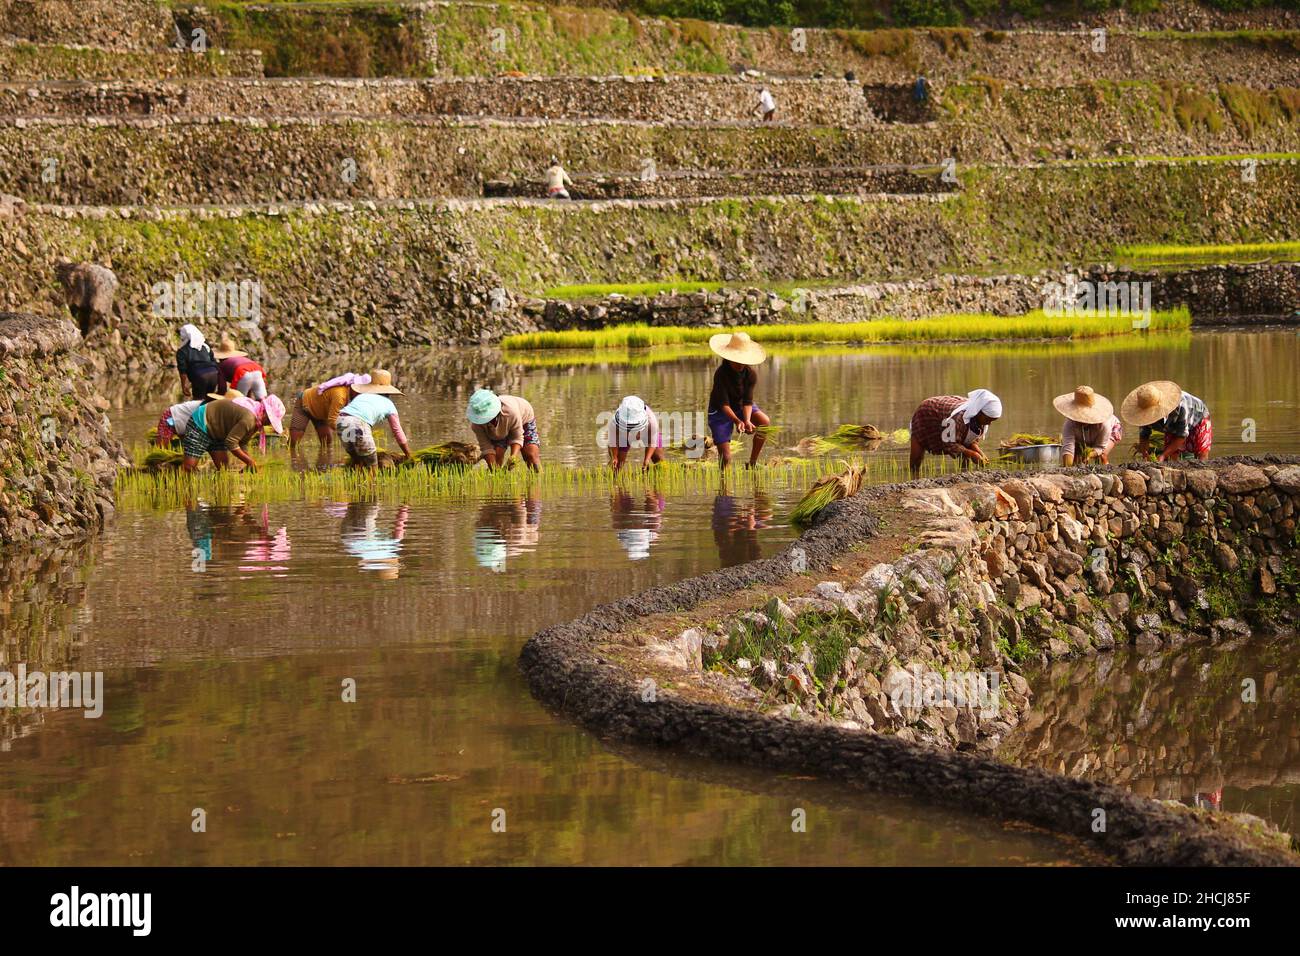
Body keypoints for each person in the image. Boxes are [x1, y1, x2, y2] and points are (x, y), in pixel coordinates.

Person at [707, 332, 770, 470]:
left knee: (764, 422)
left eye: (743, 360)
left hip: (741, 406)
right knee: (726, 459)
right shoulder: (721, 374)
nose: (741, 364)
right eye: (737, 360)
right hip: (720, 411)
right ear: (729, 357)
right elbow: (723, 404)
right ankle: (724, 487)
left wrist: (746, 420)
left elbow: (748, 401)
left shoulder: (750, 374)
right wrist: (737, 421)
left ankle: (752, 463)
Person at [909, 388, 1002, 477]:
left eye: (992, 421)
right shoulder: (957, 419)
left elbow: (970, 441)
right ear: (978, 412)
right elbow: (949, 444)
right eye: (988, 420)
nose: (989, 424)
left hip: (947, 412)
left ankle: (964, 474)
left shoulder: (982, 417)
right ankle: (913, 476)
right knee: (917, 455)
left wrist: (980, 453)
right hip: (927, 411)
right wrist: (972, 454)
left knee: (963, 447)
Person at [180, 394, 285, 472]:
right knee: (189, 468)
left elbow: (242, 442)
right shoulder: (249, 419)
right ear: (266, 413)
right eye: (270, 421)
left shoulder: (257, 419)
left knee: (223, 469)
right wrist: (249, 461)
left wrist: (250, 462)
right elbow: (231, 442)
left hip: (219, 431)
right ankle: (177, 484)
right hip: (201, 423)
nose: (269, 424)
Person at [334, 369, 412, 469]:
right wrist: (408, 454)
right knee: (372, 462)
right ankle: (372, 484)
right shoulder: (390, 405)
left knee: (358, 460)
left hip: (341, 420)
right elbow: (397, 432)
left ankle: (357, 482)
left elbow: (352, 411)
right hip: (358, 423)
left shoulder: (363, 396)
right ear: (388, 391)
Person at [1122, 381, 1212, 461]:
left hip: (1199, 416)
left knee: (1201, 452)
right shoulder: (1144, 415)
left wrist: (1163, 455)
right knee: (1172, 454)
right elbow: (1144, 436)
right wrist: (1145, 453)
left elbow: (1181, 436)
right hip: (1170, 423)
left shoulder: (1181, 407)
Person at [289, 372, 372, 453]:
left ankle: (323, 465)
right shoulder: (340, 396)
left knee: (327, 442)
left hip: (322, 412)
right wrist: (348, 433)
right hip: (305, 404)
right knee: (293, 443)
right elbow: (332, 420)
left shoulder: (352, 396)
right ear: (353, 388)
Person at [467, 389, 540, 471]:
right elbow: (486, 447)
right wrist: (494, 470)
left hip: (524, 418)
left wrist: (513, 457)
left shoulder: (511, 412)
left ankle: (538, 479)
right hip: (498, 429)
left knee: (530, 456)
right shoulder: (477, 424)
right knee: (497, 456)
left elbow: (517, 437)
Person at [1055, 385, 1123, 466]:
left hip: (1112, 429)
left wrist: (1089, 455)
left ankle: (1107, 470)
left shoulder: (1104, 425)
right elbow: (1068, 448)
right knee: (1077, 455)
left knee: (1102, 455)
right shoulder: (1069, 424)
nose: (1081, 420)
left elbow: (1100, 447)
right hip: (1084, 434)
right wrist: (1067, 468)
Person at [607, 395, 664, 473]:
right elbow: (613, 441)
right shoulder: (614, 423)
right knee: (616, 466)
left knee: (659, 460)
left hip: (647, 434)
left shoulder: (651, 422)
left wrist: (646, 460)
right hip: (622, 436)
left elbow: (652, 442)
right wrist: (614, 457)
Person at [213, 334, 268, 400]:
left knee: (240, 402)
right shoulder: (240, 359)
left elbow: (222, 386)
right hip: (258, 372)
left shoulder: (222, 365)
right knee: (262, 401)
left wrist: (220, 396)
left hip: (242, 373)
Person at [175, 324, 219, 401]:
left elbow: (182, 370)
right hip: (214, 374)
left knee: (197, 402)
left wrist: (184, 386)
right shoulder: (206, 347)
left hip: (200, 376)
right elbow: (214, 361)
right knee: (209, 401)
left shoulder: (182, 351)